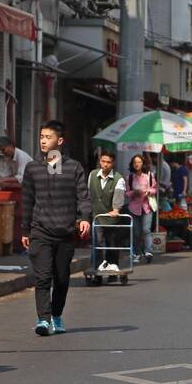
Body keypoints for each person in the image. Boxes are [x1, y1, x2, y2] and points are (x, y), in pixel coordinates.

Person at [20, 121, 90, 336]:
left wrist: (85, 217)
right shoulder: (32, 168)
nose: (43, 140)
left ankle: (56, 315)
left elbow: (83, 197)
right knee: (43, 277)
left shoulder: (74, 167)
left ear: (59, 141)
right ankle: (43, 319)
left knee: (61, 279)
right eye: (41, 136)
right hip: (40, 231)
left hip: (65, 233)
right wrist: (25, 230)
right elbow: (27, 200)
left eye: (48, 137)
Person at [88, 148, 127, 272]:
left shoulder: (118, 179)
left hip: (112, 218)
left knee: (112, 244)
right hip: (97, 216)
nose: (105, 164)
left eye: (108, 162)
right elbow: (89, 193)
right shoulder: (93, 175)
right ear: (100, 161)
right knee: (97, 244)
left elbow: (119, 197)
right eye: (103, 161)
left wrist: (116, 209)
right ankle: (97, 267)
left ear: (113, 163)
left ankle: (113, 267)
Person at [125, 153, 159, 261]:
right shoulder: (129, 177)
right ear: (132, 164)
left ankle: (148, 252)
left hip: (147, 206)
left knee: (146, 229)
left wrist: (147, 192)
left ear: (143, 163)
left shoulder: (149, 176)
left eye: (139, 162)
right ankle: (137, 253)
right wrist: (133, 193)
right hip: (134, 207)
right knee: (136, 232)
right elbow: (126, 192)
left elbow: (155, 189)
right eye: (135, 162)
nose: (137, 164)